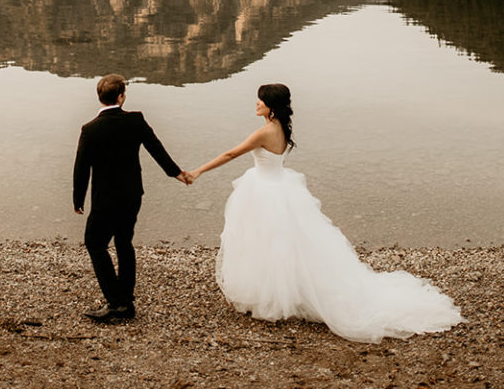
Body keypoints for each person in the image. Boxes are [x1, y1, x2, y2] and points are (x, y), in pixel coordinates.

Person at [186, 83, 463, 343]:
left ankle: (271, 297)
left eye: (262, 100)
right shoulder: (281, 128)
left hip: (266, 191)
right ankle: (282, 293)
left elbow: (230, 155)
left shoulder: (263, 132)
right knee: (285, 243)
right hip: (281, 187)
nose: (257, 103)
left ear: (271, 106)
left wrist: (197, 171)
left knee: (267, 242)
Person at [72, 73, 191, 321]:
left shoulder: (90, 129)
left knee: (95, 244)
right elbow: (156, 149)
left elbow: (81, 167)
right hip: (132, 195)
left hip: (105, 199)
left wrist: (78, 199)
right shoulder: (136, 121)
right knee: (124, 244)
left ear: (100, 97)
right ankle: (125, 302)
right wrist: (177, 173)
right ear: (121, 97)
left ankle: (117, 302)